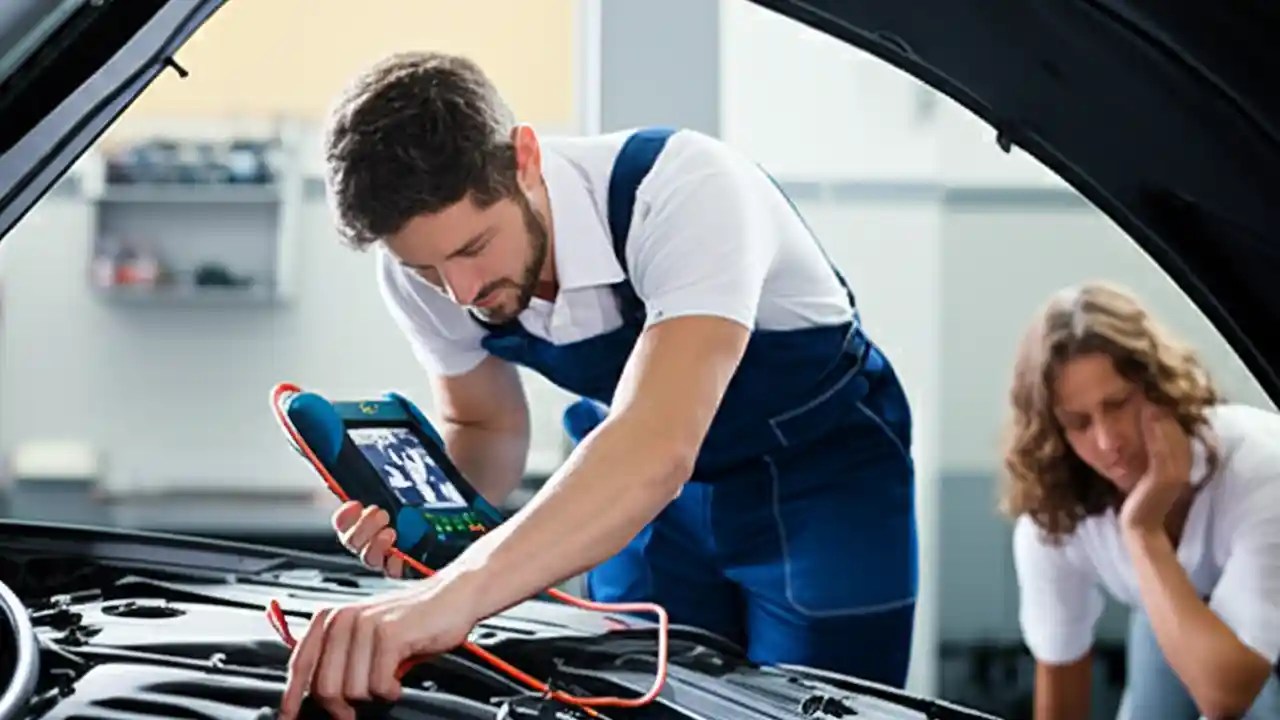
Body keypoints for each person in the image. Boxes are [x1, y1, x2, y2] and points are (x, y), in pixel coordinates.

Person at [278, 51, 918, 719]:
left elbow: (656, 448)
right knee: (633, 702)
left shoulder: (685, 190)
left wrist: (449, 598)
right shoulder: (422, 270)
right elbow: (486, 426)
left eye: (473, 248)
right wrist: (433, 534)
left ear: (525, 159)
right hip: (640, 498)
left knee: (821, 704)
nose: (461, 292)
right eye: (428, 270)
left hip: (819, 484)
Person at [1000, 281, 1280, 720]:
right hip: (1180, 617)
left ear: (1157, 387)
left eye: (1118, 405)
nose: (1107, 441)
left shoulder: (1260, 467)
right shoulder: (1056, 515)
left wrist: (1142, 531)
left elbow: (1226, 697)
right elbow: (1060, 690)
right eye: (1079, 423)